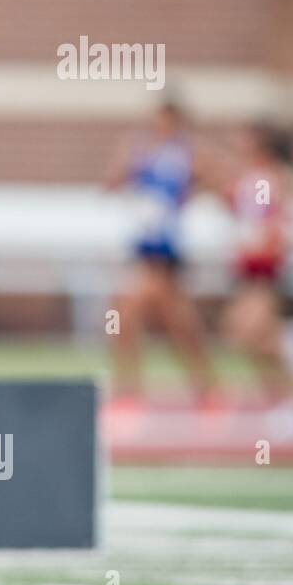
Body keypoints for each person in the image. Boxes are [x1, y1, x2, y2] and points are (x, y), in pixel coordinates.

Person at [102, 101, 221, 407]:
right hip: (144, 247)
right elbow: (111, 184)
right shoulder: (140, 149)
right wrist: (129, 171)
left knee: (148, 315)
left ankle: (133, 389)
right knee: (162, 317)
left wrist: (192, 192)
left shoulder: (189, 153)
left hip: (166, 251)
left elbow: (221, 180)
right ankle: (201, 387)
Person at [215, 123, 293, 405]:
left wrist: (275, 238)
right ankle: (279, 396)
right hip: (246, 267)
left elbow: (291, 216)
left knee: (247, 331)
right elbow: (235, 207)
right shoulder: (245, 176)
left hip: (265, 270)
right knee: (246, 336)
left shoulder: (275, 177)